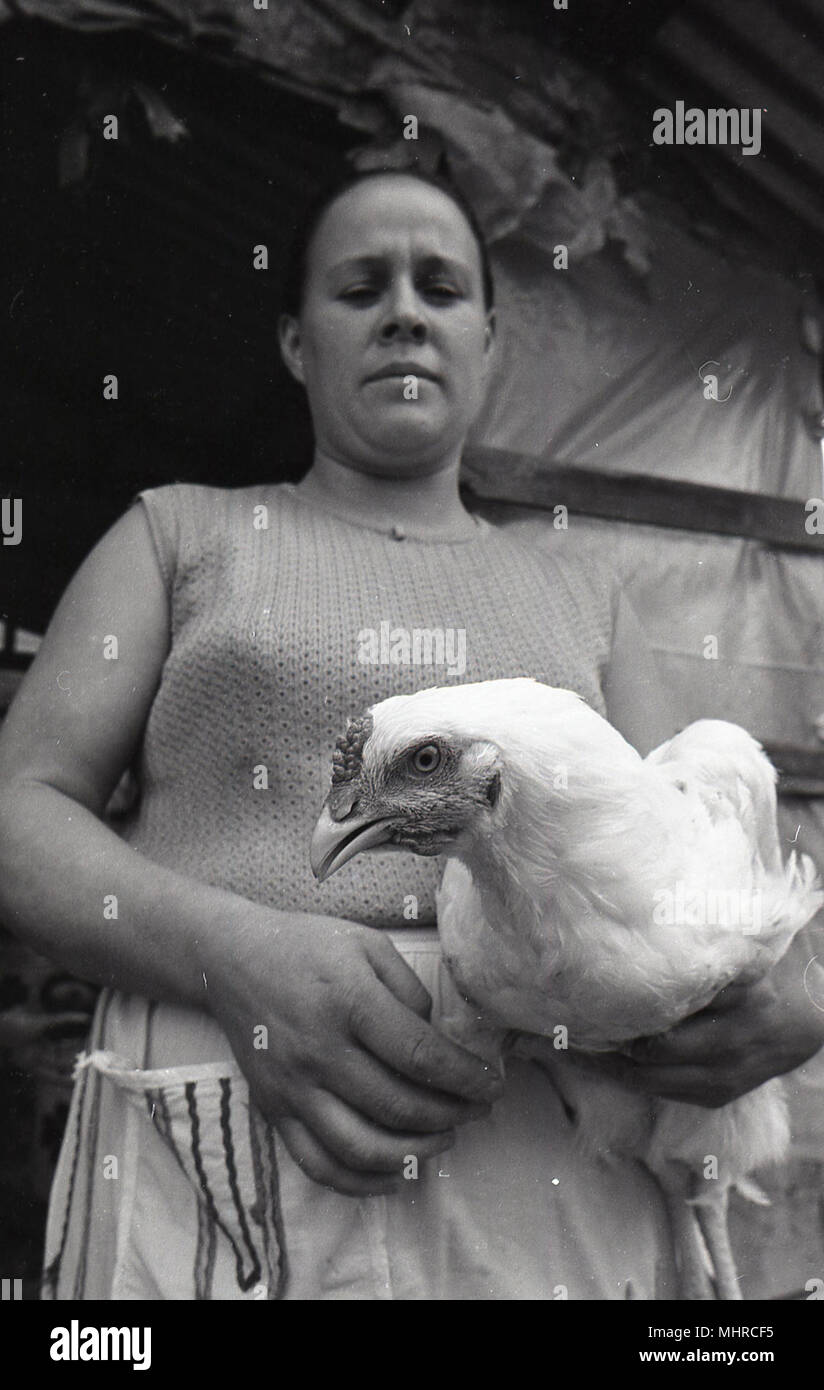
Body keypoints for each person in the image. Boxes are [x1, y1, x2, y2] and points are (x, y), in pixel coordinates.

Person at [0, 167, 822, 1301]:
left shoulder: (586, 589)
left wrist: (793, 994)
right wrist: (225, 949)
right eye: (358, 286)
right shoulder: (176, 535)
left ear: (486, 339)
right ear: (295, 341)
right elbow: (16, 808)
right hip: (231, 1126)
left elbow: (689, 846)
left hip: (563, 1156)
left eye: (438, 286)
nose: (403, 310)